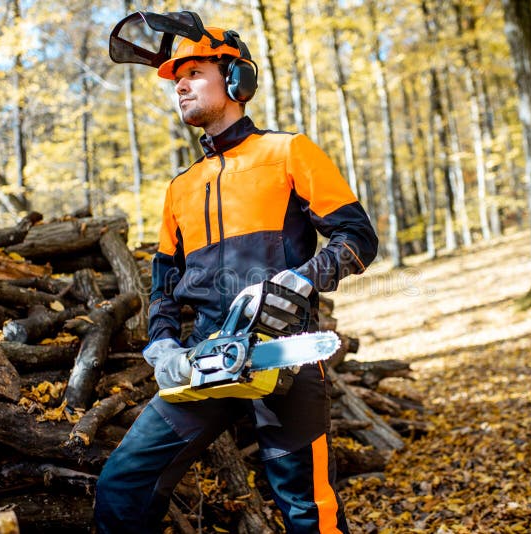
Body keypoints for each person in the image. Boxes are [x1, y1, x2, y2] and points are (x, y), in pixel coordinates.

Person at [96, 12, 378, 534]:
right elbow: (163, 284)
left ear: (235, 80)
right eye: (175, 79)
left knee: (307, 509)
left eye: (193, 73)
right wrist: (162, 347)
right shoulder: (181, 187)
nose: (180, 85)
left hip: (283, 354)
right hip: (204, 361)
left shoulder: (288, 151)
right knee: (123, 483)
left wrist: (303, 278)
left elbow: (358, 237)